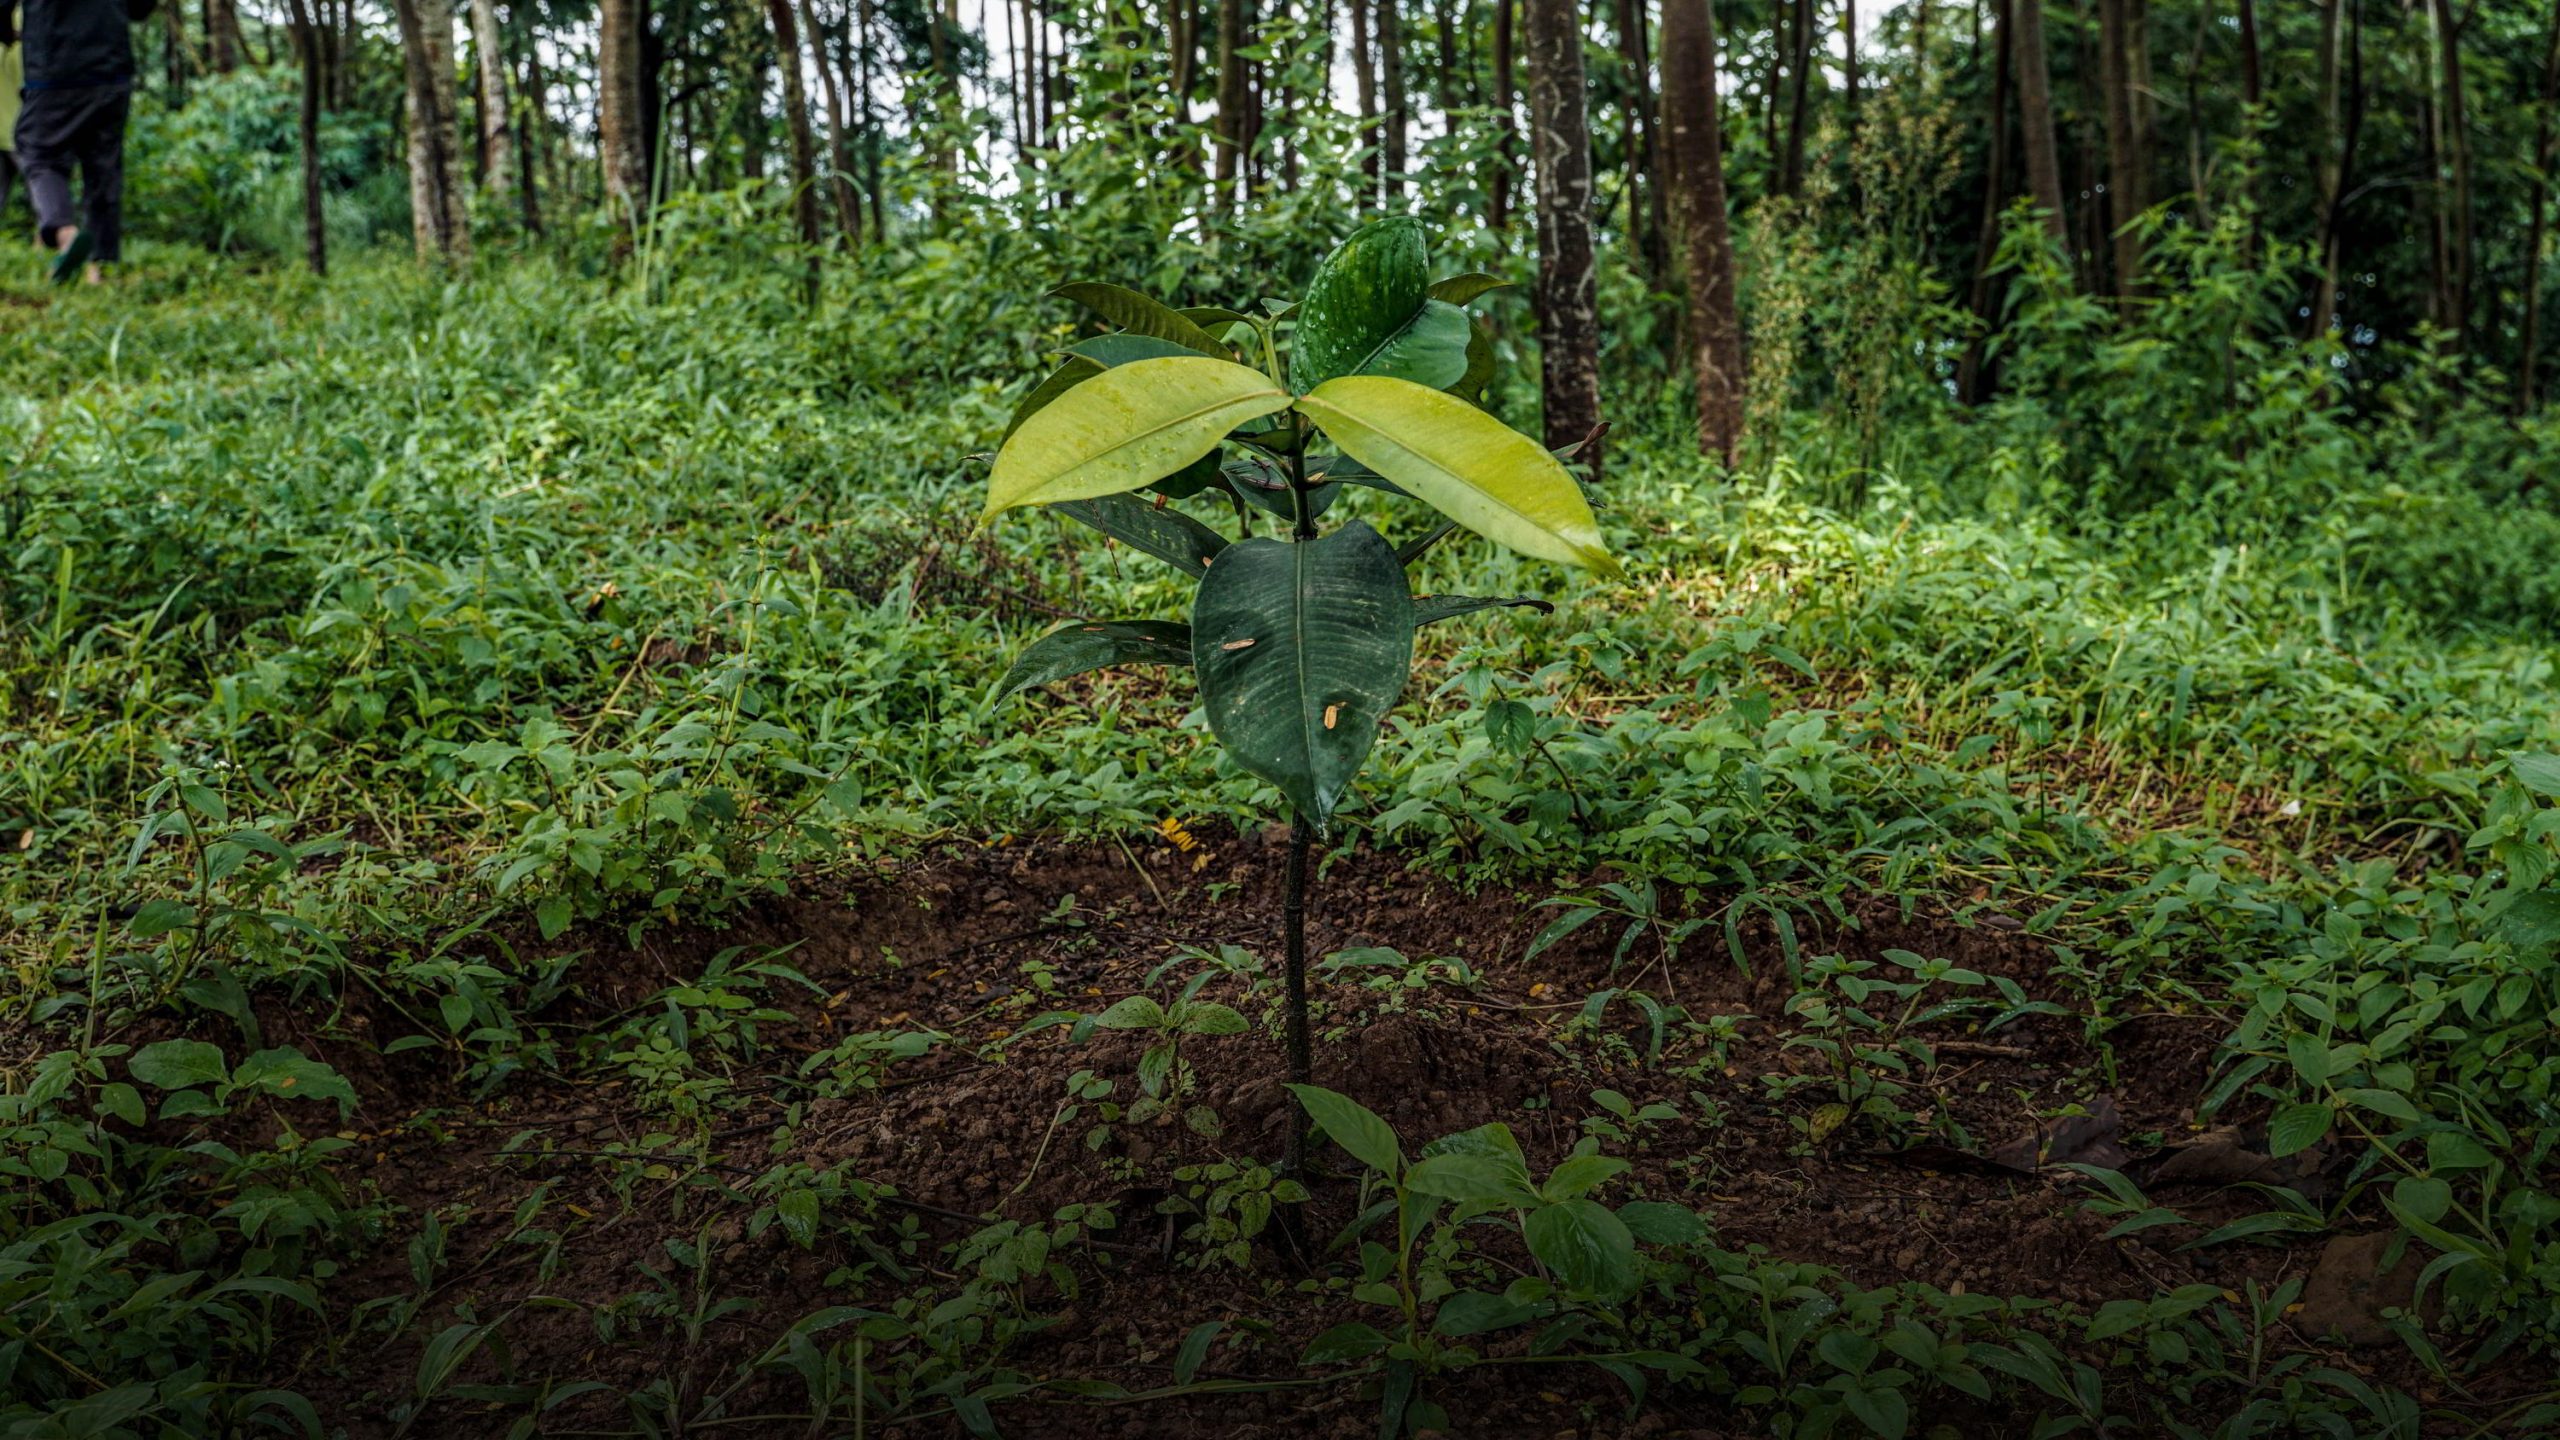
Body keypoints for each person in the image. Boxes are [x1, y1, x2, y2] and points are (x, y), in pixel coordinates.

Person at [0, 0, 157, 285]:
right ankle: (102, 266)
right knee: (104, 166)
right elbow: (140, 8)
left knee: (38, 153)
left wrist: (7, 32)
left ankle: (64, 232)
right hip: (111, 69)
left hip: (54, 69)